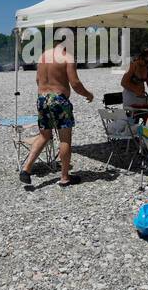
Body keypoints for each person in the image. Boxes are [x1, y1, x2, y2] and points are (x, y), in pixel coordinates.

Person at [20, 37, 93, 188]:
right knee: (65, 139)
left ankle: (26, 169)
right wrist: (88, 94)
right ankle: (65, 177)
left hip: (42, 99)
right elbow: (75, 83)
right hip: (59, 100)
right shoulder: (67, 57)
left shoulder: (43, 56)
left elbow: (37, 80)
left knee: (44, 135)